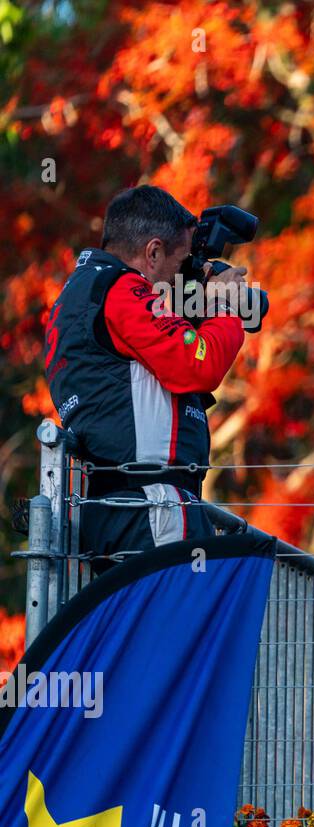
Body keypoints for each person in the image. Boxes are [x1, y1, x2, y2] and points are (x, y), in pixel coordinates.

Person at [43, 185, 252, 574]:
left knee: (147, 631)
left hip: (120, 507)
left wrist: (195, 308)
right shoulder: (120, 290)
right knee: (175, 630)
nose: (183, 278)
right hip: (153, 508)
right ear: (153, 252)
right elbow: (197, 364)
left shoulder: (80, 292)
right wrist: (224, 305)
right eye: (182, 263)